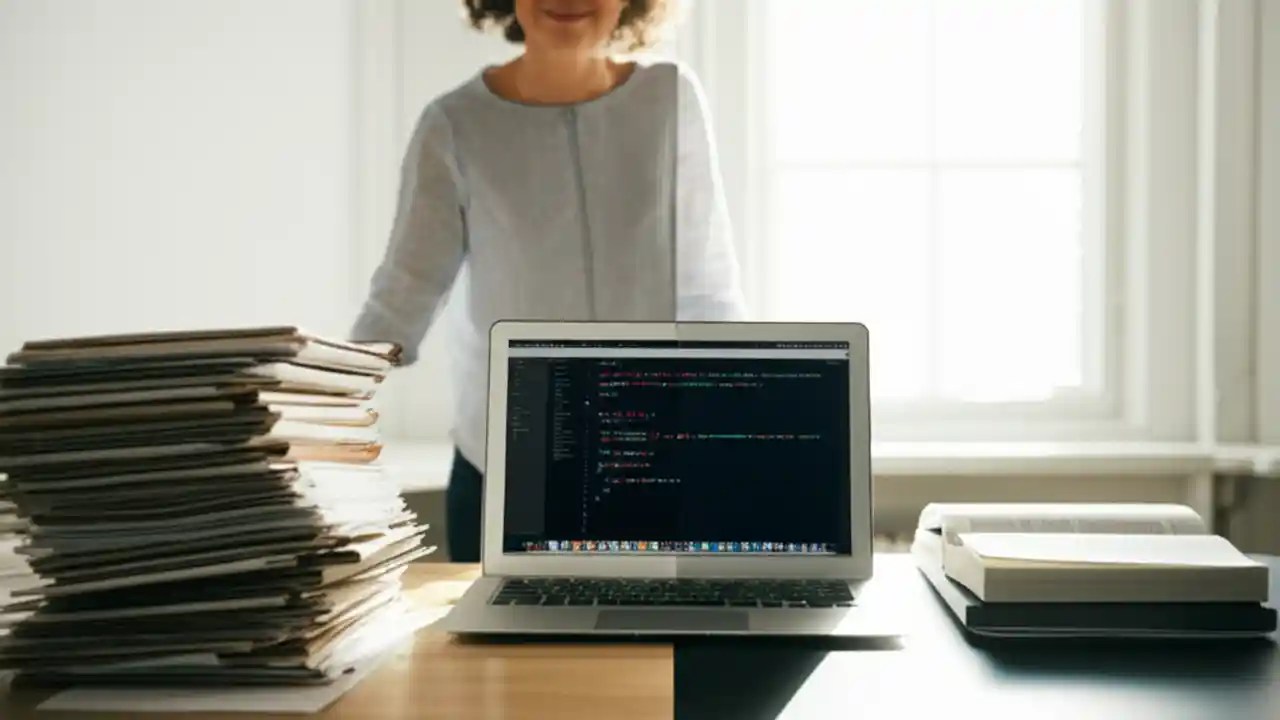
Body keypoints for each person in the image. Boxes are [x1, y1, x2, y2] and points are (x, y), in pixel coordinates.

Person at [351, 0, 745, 562]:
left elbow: (709, 287)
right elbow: (405, 290)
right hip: (503, 475)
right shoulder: (455, 123)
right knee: (499, 624)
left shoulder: (669, 99)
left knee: (659, 624)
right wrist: (316, 402)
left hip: (653, 465)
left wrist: (738, 431)